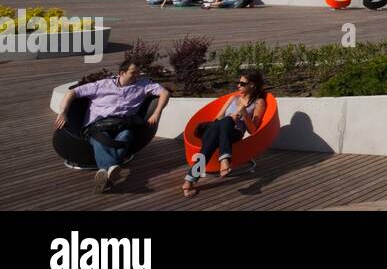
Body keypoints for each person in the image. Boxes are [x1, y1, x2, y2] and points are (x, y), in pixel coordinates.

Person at [54, 60, 170, 193]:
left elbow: (164, 93)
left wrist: (157, 112)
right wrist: (63, 112)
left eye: (138, 72)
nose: (137, 75)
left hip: (123, 124)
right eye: (133, 73)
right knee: (102, 139)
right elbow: (72, 93)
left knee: (126, 136)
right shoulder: (102, 85)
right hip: (98, 125)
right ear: (122, 73)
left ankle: (105, 172)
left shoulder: (143, 85)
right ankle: (111, 167)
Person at [182, 70, 267, 198]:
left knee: (211, 141)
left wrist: (244, 114)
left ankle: (189, 181)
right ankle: (224, 159)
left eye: (242, 83)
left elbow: (253, 130)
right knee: (223, 123)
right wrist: (231, 118)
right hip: (219, 130)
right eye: (238, 83)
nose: (238, 86)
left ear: (252, 85)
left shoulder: (259, 102)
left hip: (235, 133)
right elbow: (217, 119)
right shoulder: (234, 98)